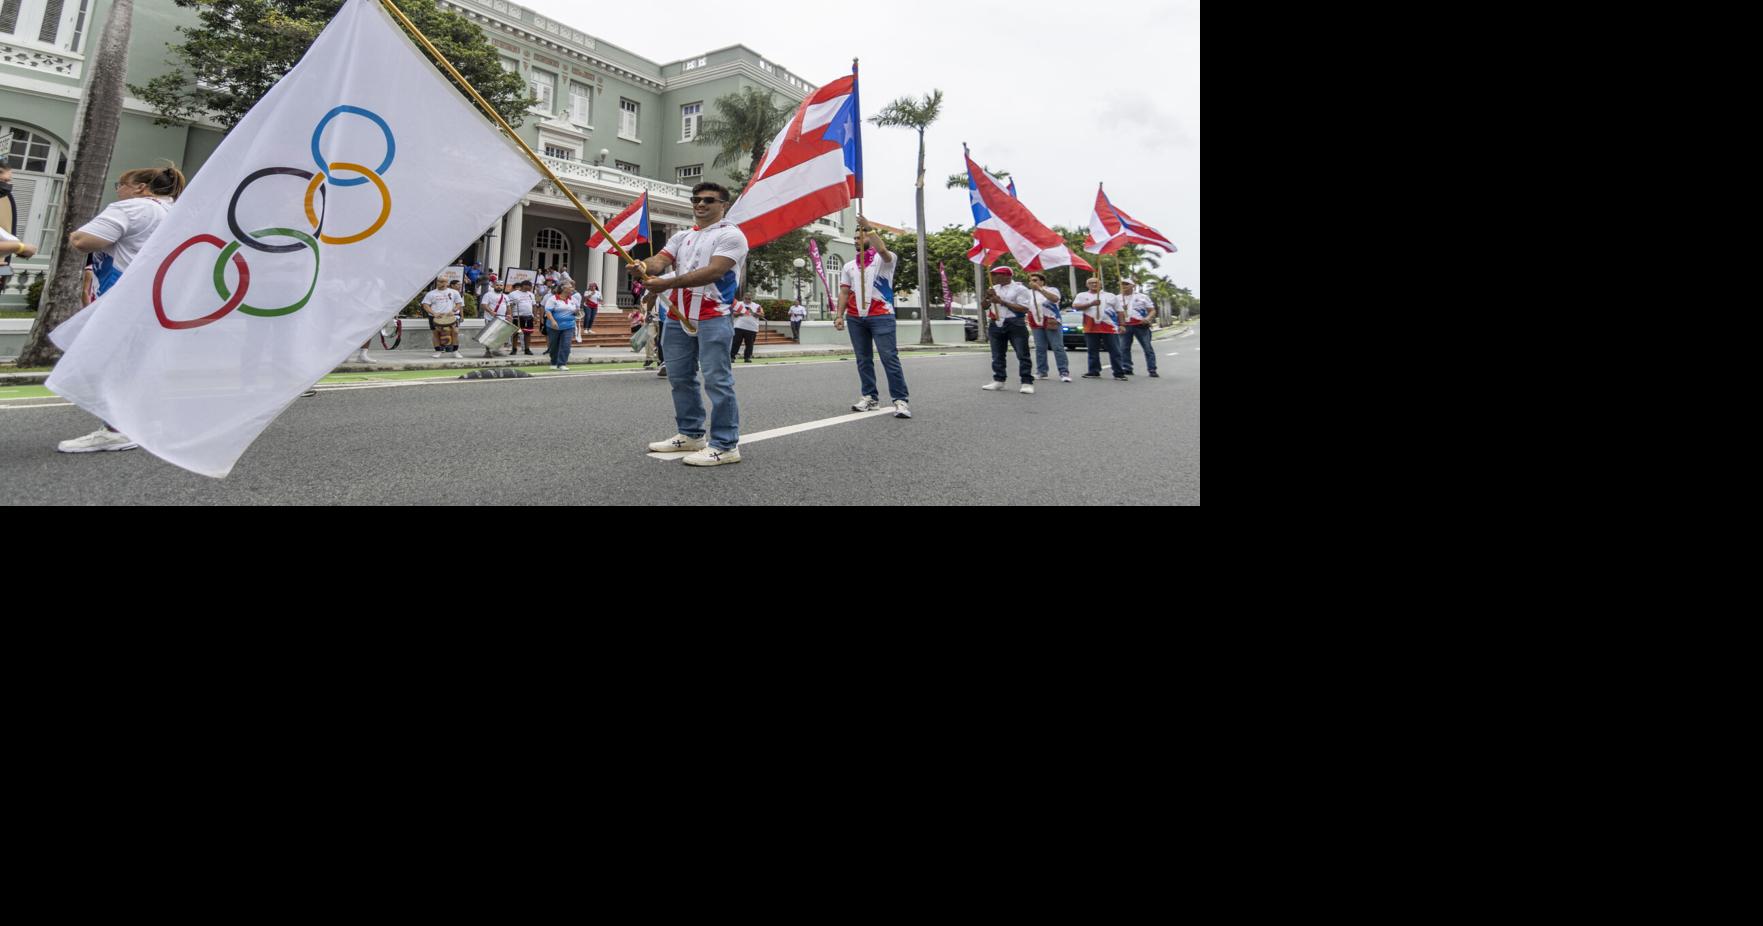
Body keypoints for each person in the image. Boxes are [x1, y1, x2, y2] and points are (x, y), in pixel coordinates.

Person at [56, 163, 184, 454]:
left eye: (121, 185)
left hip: (122, 295)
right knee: (136, 361)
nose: (119, 190)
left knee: (110, 363)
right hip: (159, 297)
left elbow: (83, 240)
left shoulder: (132, 208)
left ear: (140, 187)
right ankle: (140, 422)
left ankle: (116, 430)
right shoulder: (177, 211)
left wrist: (75, 233)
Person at [630, 181, 746, 466]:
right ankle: (691, 433)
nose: (700, 204)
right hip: (677, 316)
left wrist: (666, 281)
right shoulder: (682, 237)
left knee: (718, 380)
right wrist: (643, 267)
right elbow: (659, 261)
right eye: (696, 199)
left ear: (723, 205)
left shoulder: (732, 236)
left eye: (708, 200)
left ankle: (726, 444)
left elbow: (713, 272)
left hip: (713, 316)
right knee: (679, 377)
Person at [836, 222, 911, 418]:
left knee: (889, 358)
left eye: (860, 237)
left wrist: (869, 228)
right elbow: (844, 292)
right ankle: (870, 397)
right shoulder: (849, 266)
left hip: (881, 315)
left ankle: (900, 400)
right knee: (863, 359)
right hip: (855, 317)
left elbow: (883, 249)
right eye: (854, 238)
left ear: (870, 237)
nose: (856, 240)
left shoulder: (885, 260)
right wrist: (839, 315)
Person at [980, 265, 1035, 394]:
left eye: (996, 274)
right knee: (997, 354)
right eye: (992, 274)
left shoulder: (1020, 289)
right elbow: (984, 306)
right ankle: (999, 380)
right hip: (996, 323)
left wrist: (1001, 301)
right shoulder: (993, 288)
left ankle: (1027, 382)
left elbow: (1023, 308)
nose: (992, 277)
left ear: (1007, 275)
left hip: (1015, 323)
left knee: (1022, 354)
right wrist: (987, 297)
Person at [1073, 278, 1127, 381]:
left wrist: (1122, 324)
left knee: (1115, 351)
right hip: (1090, 327)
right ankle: (1094, 371)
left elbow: (1120, 311)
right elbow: (1075, 306)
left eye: (1096, 282)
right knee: (1092, 351)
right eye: (1091, 283)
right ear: (1087, 285)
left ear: (1100, 284)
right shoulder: (1082, 295)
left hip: (1109, 327)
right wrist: (1091, 304)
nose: (1094, 284)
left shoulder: (1110, 296)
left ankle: (1119, 373)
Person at [1025, 272, 1071, 383]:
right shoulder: (1028, 293)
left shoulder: (1052, 289)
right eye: (1031, 280)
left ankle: (1064, 372)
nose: (1032, 282)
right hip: (1036, 322)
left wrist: (1040, 289)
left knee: (1057, 347)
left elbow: (1054, 299)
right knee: (1040, 348)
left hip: (1050, 320)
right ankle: (1042, 371)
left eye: (1035, 280)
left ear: (1042, 281)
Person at [1117, 278, 1159, 378]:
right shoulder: (1117, 298)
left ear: (1133, 286)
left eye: (1126, 284)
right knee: (1123, 348)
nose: (1124, 286)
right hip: (1125, 326)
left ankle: (1152, 369)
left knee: (1147, 348)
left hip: (1141, 325)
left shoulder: (1142, 297)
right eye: (1122, 284)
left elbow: (1152, 310)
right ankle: (1127, 368)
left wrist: (1148, 318)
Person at [423, 277, 464, 358]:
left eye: (443, 281)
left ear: (447, 282)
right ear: (437, 282)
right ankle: (438, 351)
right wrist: (434, 313)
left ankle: (455, 351)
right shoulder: (431, 293)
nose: (441, 283)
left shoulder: (454, 292)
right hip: (435, 317)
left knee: (455, 332)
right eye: (439, 281)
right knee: (436, 333)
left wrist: (454, 310)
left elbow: (459, 303)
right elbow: (425, 305)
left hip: (450, 317)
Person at [544, 280, 580, 370]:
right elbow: (548, 311)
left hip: (569, 326)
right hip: (554, 326)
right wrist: (552, 321)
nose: (572, 288)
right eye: (570, 287)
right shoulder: (553, 298)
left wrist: (577, 312)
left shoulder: (573, 299)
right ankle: (554, 362)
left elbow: (577, 311)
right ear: (563, 288)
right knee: (554, 345)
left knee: (566, 345)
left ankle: (562, 363)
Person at [479, 282, 512, 358]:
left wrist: (509, 315)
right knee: (489, 335)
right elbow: (484, 305)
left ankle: (496, 351)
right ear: (494, 286)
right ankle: (488, 351)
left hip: (502, 318)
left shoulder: (505, 296)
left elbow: (508, 307)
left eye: (501, 285)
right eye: (497, 285)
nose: (499, 287)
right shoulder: (488, 294)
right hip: (490, 318)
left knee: (499, 335)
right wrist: (491, 312)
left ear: (503, 287)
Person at [507, 279, 537, 356]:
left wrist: (535, 316)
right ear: (523, 286)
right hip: (517, 316)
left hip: (529, 316)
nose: (530, 287)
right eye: (529, 286)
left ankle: (527, 349)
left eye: (530, 286)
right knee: (516, 333)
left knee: (528, 333)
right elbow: (509, 305)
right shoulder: (513, 294)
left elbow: (534, 305)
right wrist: (509, 315)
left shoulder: (531, 294)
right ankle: (514, 349)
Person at [731, 290, 761, 363]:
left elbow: (761, 314)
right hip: (739, 326)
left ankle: (747, 357)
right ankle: (732, 357)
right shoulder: (738, 304)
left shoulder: (756, 306)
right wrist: (741, 313)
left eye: (749, 299)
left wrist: (752, 312)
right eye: (746, 298)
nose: (747, 300)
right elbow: (733, 314)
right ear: (743, 298)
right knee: (736, 342)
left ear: (752, 298)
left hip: (751, 328)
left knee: (749, 344)